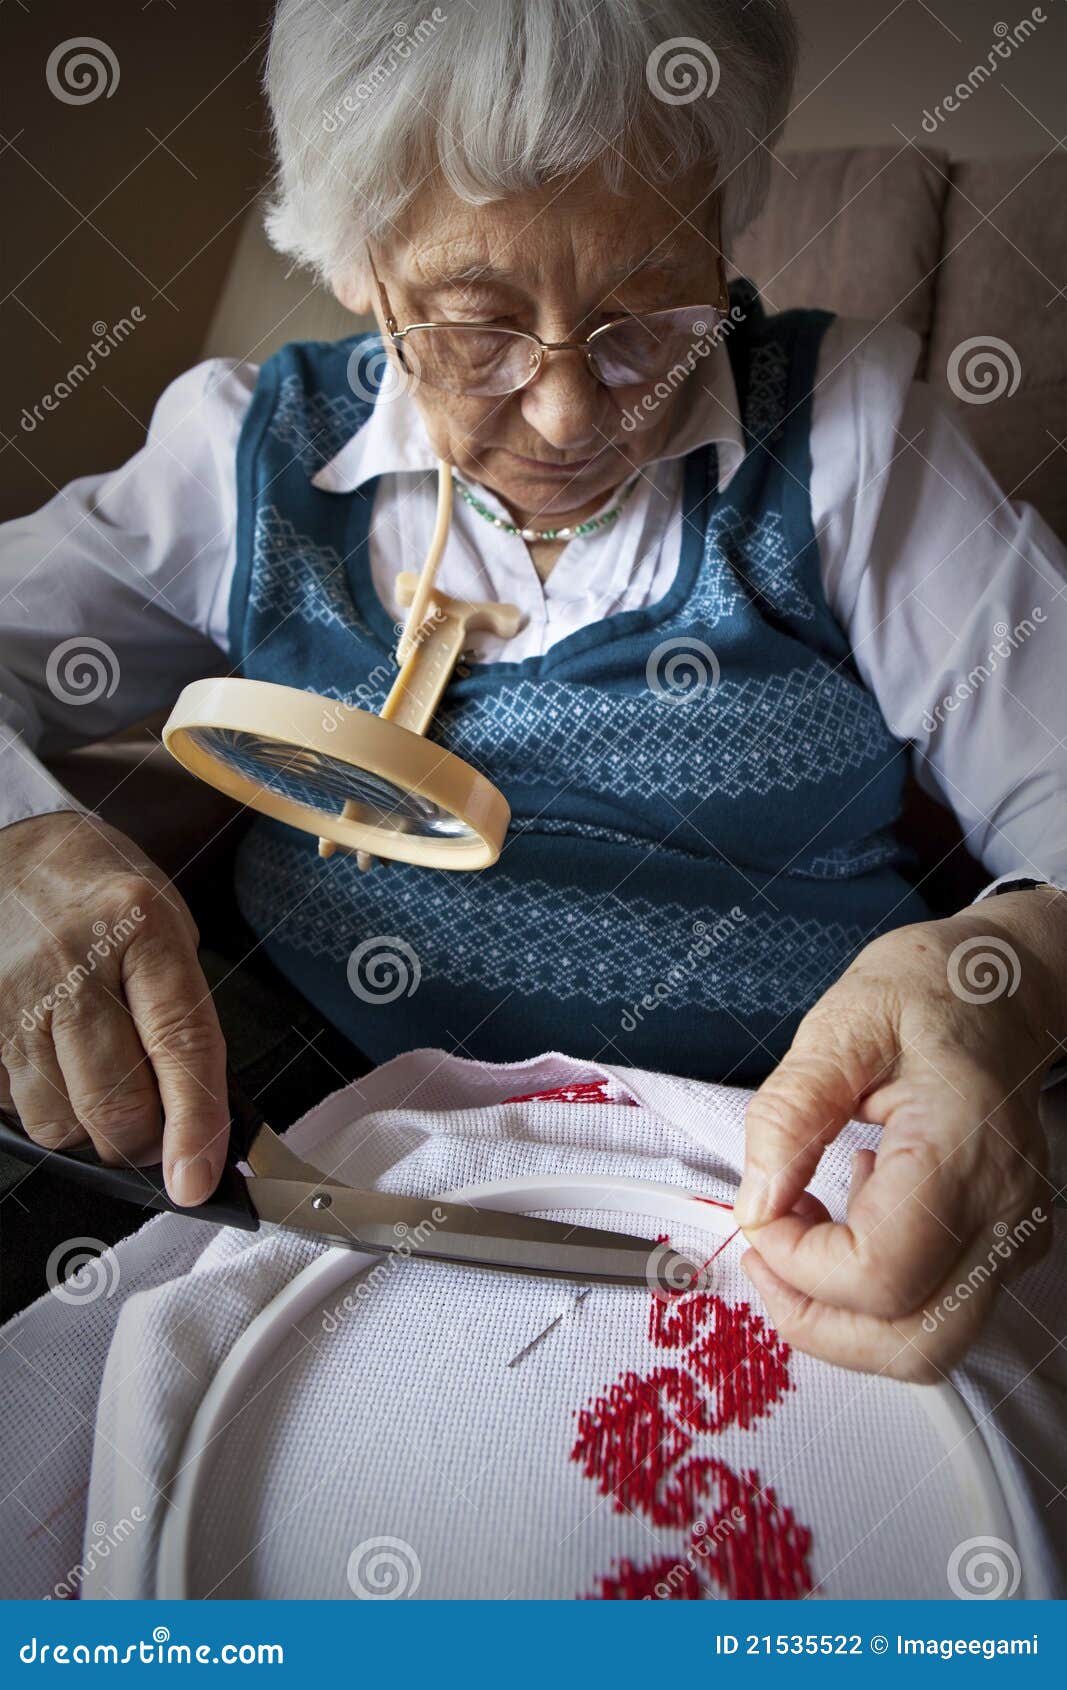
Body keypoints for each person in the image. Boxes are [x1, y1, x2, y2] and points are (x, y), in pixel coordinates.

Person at [0, 0, 1064, 1375]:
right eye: (476, 328)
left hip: (763, 1179)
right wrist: (21, 844)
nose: (569, 416)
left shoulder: (847, 434)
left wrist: (1006, 979)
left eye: (646, 320)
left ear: (724, 227)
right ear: (361, 267)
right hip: (303, 1136)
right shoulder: (250, 454)